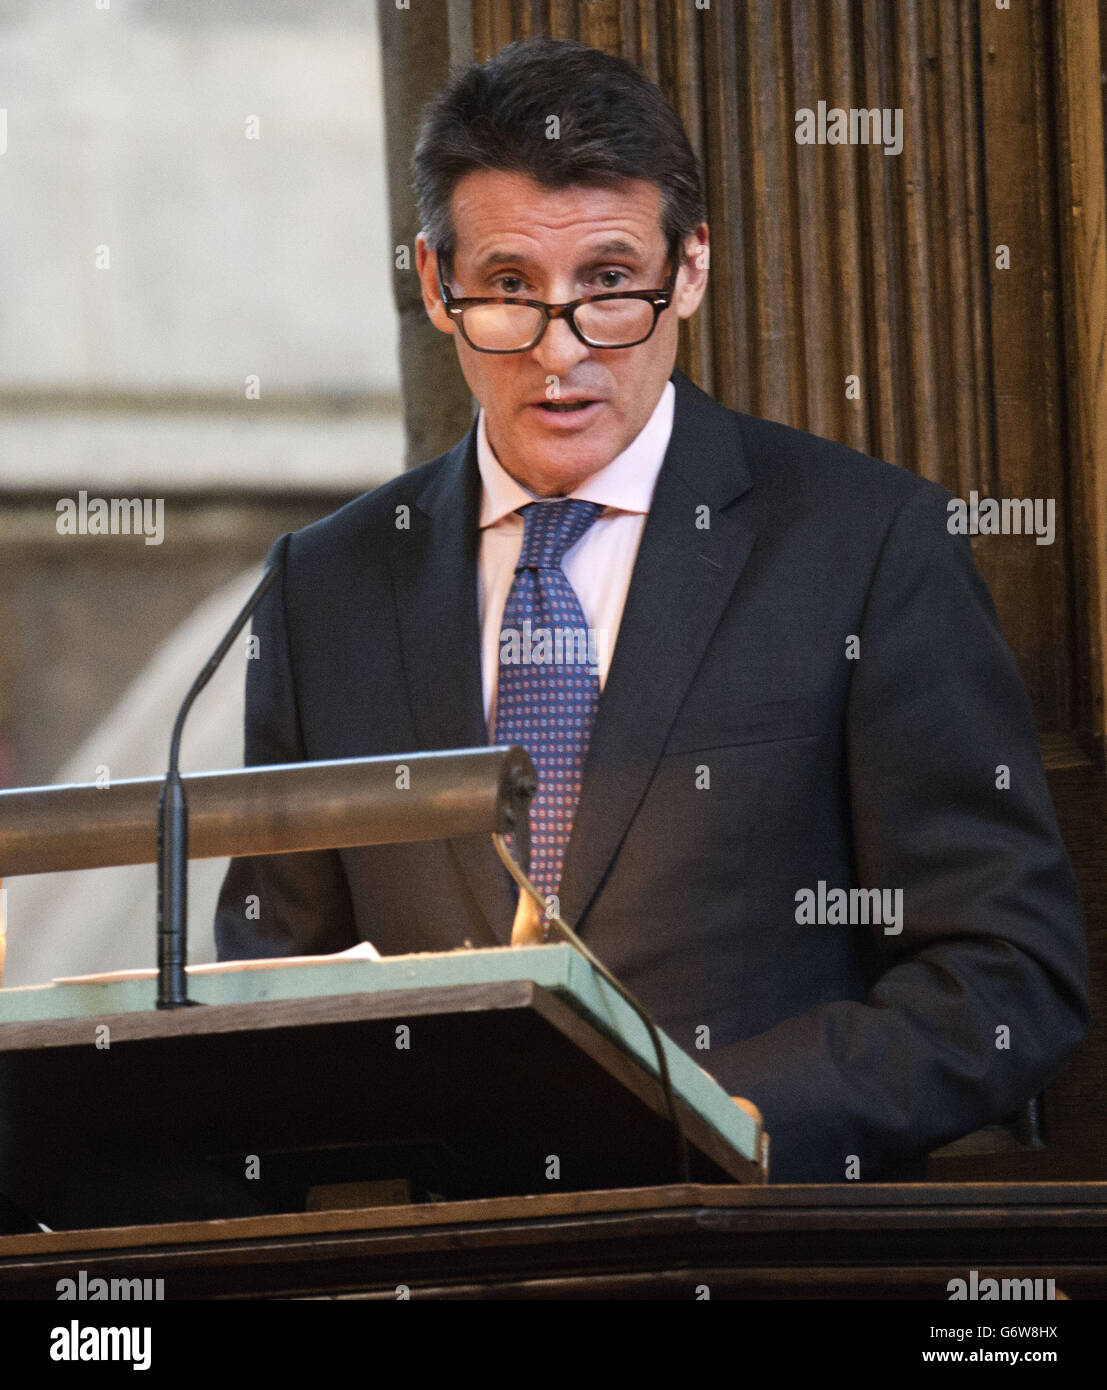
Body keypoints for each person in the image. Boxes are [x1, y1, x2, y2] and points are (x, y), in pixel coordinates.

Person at [215, 37, 1089, 1182]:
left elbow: (1008, 972)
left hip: (757, 1249)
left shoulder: (866, 546)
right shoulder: (323, 587)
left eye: (611, 287)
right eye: (512, 290)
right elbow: (265, 987)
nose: (561, 355)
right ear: (436, 284)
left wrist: (711, 1109)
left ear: (690, 269)